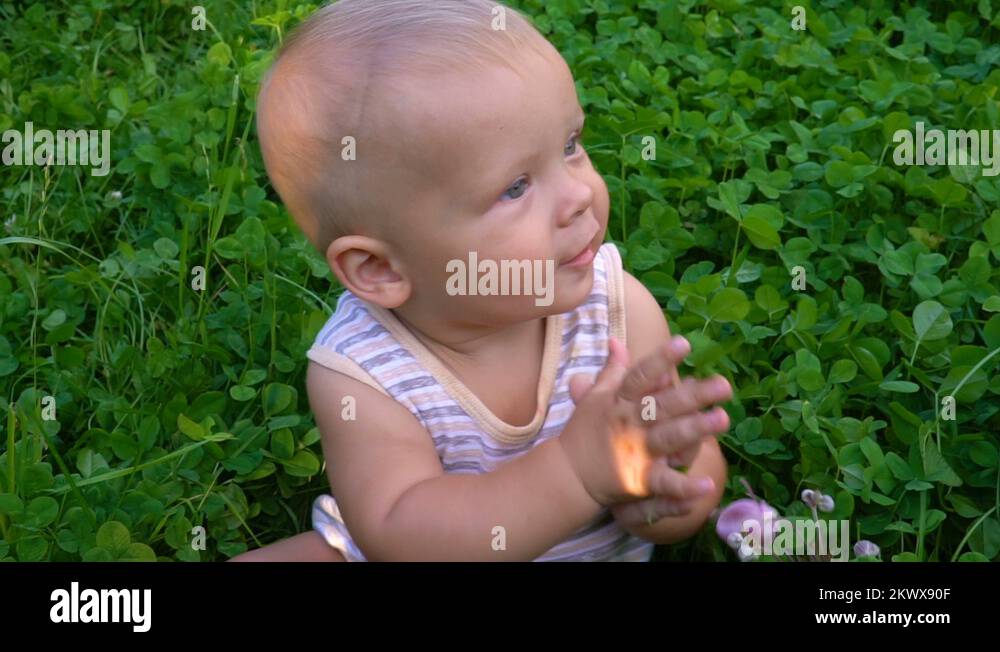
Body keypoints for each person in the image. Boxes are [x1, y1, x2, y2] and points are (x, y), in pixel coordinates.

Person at [230, 0, 731, 562]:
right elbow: (402, 538)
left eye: (569, 146)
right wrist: (574, 471)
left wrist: (664, 482)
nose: (580, 195)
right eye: (515, 187)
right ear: (381, 269)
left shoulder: (615, 312)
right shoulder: (364, 375)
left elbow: (691, 473)